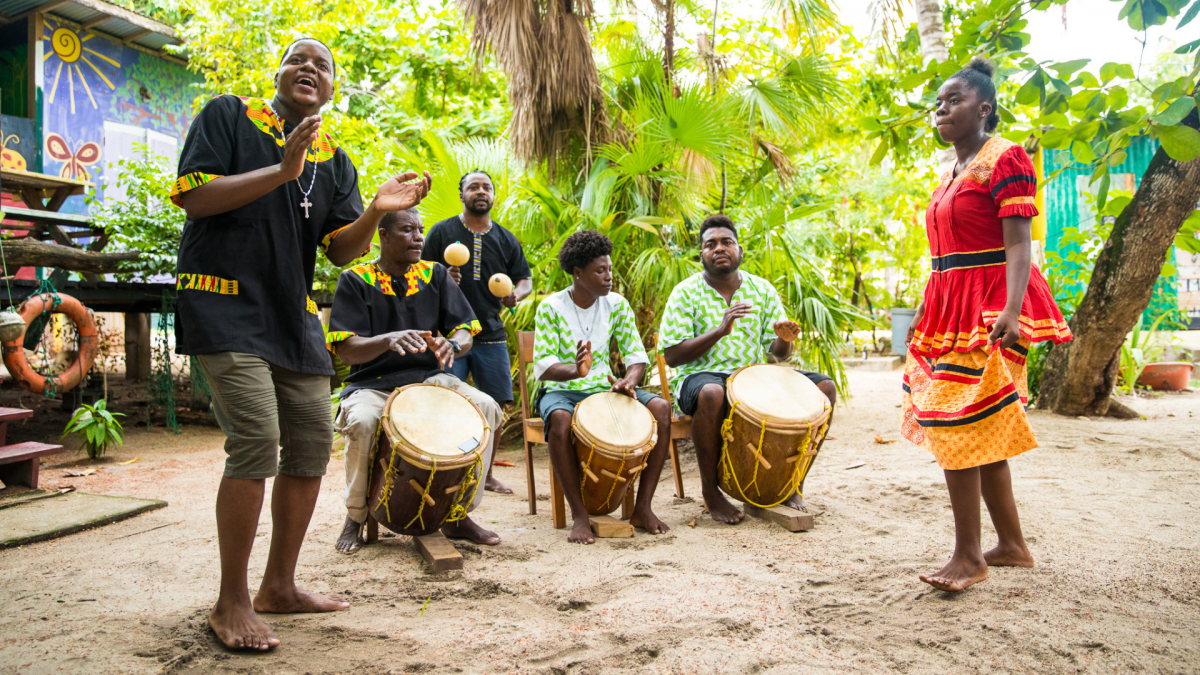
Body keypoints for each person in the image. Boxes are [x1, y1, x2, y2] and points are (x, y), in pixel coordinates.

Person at [171, 38, 432, 651]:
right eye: (299, 59)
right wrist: (282, 171)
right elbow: (192, 195)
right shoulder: (229, 115)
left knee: (312, 444)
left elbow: (341, 249)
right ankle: (230, 599)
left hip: (291, 317)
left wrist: (373, 211)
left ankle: (278, 588)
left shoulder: (334, 160)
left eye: (323, 65)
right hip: (222, 301)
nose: (309, 69)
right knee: (257, 438)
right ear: (280, 74)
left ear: (333, 87)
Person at [903, 59, 1071, 592]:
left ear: (984, 108)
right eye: (938, 102)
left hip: (991, 305)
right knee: (981, 428)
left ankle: (969, 556)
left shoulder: (1006, 158)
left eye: (953, 100)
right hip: (948, 305)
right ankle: (1013, 546)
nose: (941, 109)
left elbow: (1019, 242)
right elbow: (945, 253)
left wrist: (1013, 309)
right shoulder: (950, 170)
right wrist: (926, 311)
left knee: (955, 423)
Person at [327, 208, 502, 554]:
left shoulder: (434, 275)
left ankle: (458, 514)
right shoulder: (355, 279)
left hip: (428, 380)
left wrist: (452, 344)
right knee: (363, 422)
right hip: (371, 384)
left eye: (421, 229)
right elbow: (345, 350)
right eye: (408, 230)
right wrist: (386, 340)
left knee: (487, 408)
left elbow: (466, 330)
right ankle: (357, 516)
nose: (419, 237)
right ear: (385, 237)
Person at [659, 214, 835, 525]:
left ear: (740, 249)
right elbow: (673, 356)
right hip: (702, 377)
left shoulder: (761, 289)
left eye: (726, 242)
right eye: (710, 244)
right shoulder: (685, 292)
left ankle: (793, 484)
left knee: (824, 389)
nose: (719, 248)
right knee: (713, 393)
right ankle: (711, 492)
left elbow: (779, 354)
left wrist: (785, 339)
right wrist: (719, 330)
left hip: (756, 379)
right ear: (701, 254)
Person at [533, 230, 672, 544]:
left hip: (605, 388)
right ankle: (580, 515)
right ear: (578, 273)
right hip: (561, 390)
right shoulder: (552, 307)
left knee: (662, 409)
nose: (609, 276)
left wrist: (628, 381)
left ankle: (642, 508)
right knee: (559, 421)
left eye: (609, 269)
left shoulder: (616, 304)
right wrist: (575, 369)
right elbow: (544, 367)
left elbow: (637, 358)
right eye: (600, 271)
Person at [422, 170, 532, 494]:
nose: (480, 191)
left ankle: (486, 473)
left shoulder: (506, 238)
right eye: (473, 187)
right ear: (462, 194)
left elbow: (524, 278)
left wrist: (517, 295)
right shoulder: (442, 232)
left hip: (491, 333)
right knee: (445, 402)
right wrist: (441, 278)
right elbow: (420, 272)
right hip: (450, 336)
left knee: (496, 406)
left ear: (493, 196)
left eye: (486, 187)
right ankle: (444, 469)